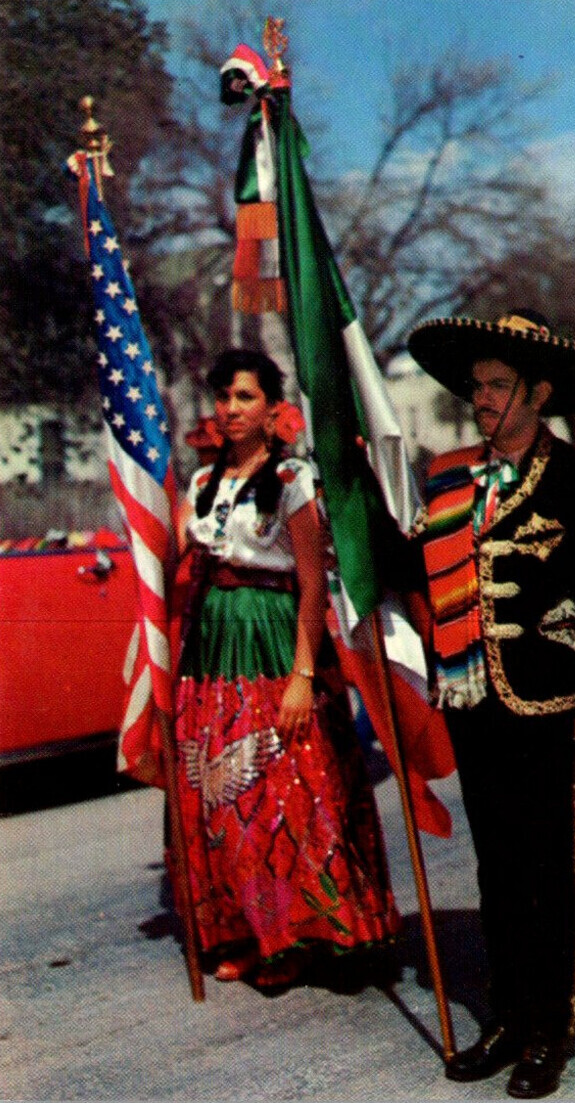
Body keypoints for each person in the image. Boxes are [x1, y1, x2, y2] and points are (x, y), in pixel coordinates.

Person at [406, 311, 575, 1098]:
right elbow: (416, 572)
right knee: (496, 865)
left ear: (538, 392)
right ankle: (504, 1015)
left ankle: (549, 1026)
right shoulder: (447, 480)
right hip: (475, 704)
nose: (481, 399)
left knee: (552, 868)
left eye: (498, 385)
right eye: (476, 385)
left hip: (550, 703)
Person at [173, 347, 400, 989]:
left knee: (285, 792)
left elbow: (310, 584)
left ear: (273, 408)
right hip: (213, 643)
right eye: (223, 398)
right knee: (220, 795)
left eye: (244, 397)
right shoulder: (202, 484)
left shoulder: (293, 480)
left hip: (275, 638)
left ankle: (304, 935)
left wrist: (303, 674)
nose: (231, 409)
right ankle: (246, 932)